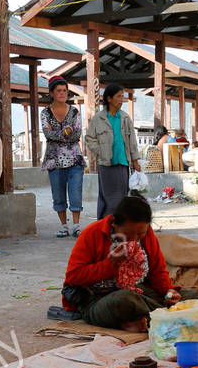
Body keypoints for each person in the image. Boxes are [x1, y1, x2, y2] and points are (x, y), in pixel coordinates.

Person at [61, 195, 179, 331]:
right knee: (125, 300)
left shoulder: (147, 233)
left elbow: (157, 269)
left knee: (190, 296)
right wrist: (109, 265)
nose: (134, 239)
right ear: (114, 224)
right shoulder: (92, 233)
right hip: (98, 298)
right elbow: (73, 276)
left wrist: (168, 291)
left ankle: (143, 318)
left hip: (138, 291)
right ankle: (164, 315)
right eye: (129, 235)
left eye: (140, 234)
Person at [84, 83, 141, 219]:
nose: (121, 100)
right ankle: (105, 224)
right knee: (107, 196)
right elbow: (90, 138)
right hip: (106, 164)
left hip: (123, 163)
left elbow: (132, 141)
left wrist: (135, 161)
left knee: (121, 196)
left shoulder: (125, 118)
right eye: (118, 96)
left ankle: (118, 224)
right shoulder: (98, 118)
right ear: (109, 99)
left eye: (123, 96)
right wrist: (100, 151)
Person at [41, 76, 85, 237]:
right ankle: (64, 226)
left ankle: (76, 225)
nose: (62, 93)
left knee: (76, 192)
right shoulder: (45, 112)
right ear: (52, 93)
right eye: (58, 90)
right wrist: (66, 131)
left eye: (64, 90)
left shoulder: (74, 111)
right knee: (58, 195)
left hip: (75, 160)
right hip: (54, 161)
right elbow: (47, 133)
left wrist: (57, 133)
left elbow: (77, 134)